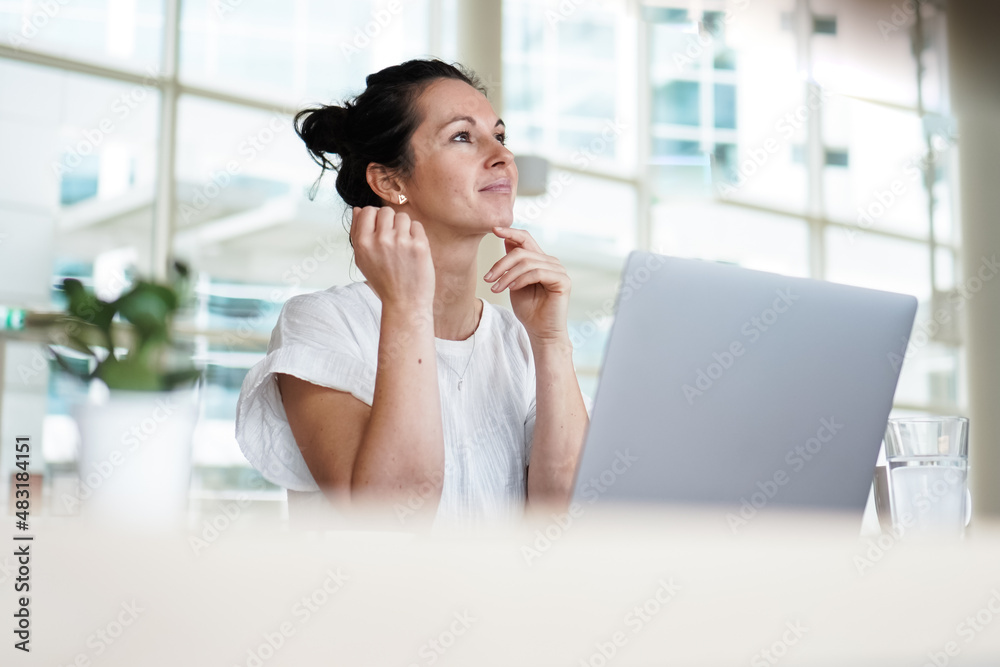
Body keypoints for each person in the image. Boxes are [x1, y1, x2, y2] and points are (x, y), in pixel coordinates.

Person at [235, 58, 590, 530]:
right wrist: (406, 306)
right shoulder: (323, 323)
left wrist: (550, 343)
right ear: (390, 182)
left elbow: (568, 518)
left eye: (499, 136)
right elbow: (393, 516)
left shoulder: (519, 342)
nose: (502, 156)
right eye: (463, 136)